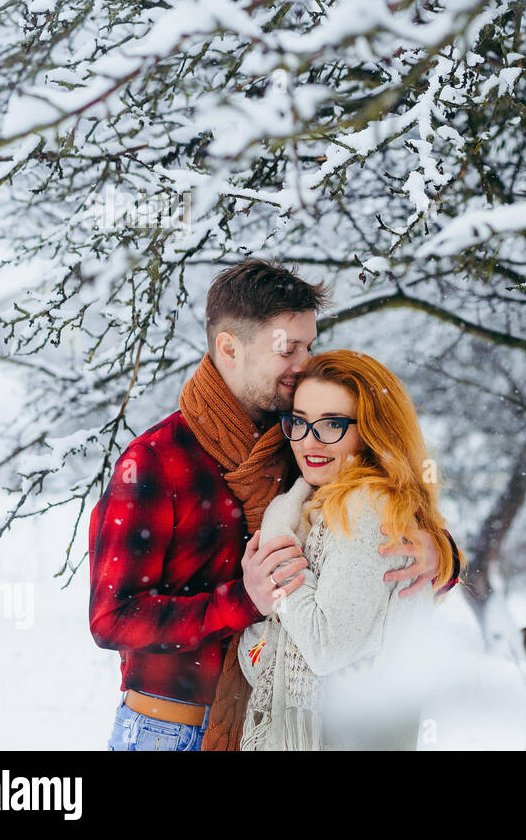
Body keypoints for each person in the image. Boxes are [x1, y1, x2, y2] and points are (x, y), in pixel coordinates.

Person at [89, 260, 461, 751]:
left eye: (310, 345)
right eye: (289, 348)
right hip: (174, 730)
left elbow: (384, 511)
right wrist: (242, 602)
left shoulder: (303, 443)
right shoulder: (156, 462)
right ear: (229, 348)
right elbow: (113, 618)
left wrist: (439, 555)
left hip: (282, 727)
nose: (305, 362)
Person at [237, 350, 454, 750]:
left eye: (332, 424)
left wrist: (278, 566)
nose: (308, 441)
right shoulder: (308, 507)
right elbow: (266, 658)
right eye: (299, 422)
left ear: (372, 431)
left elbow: (324, 647)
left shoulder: (364, 506)